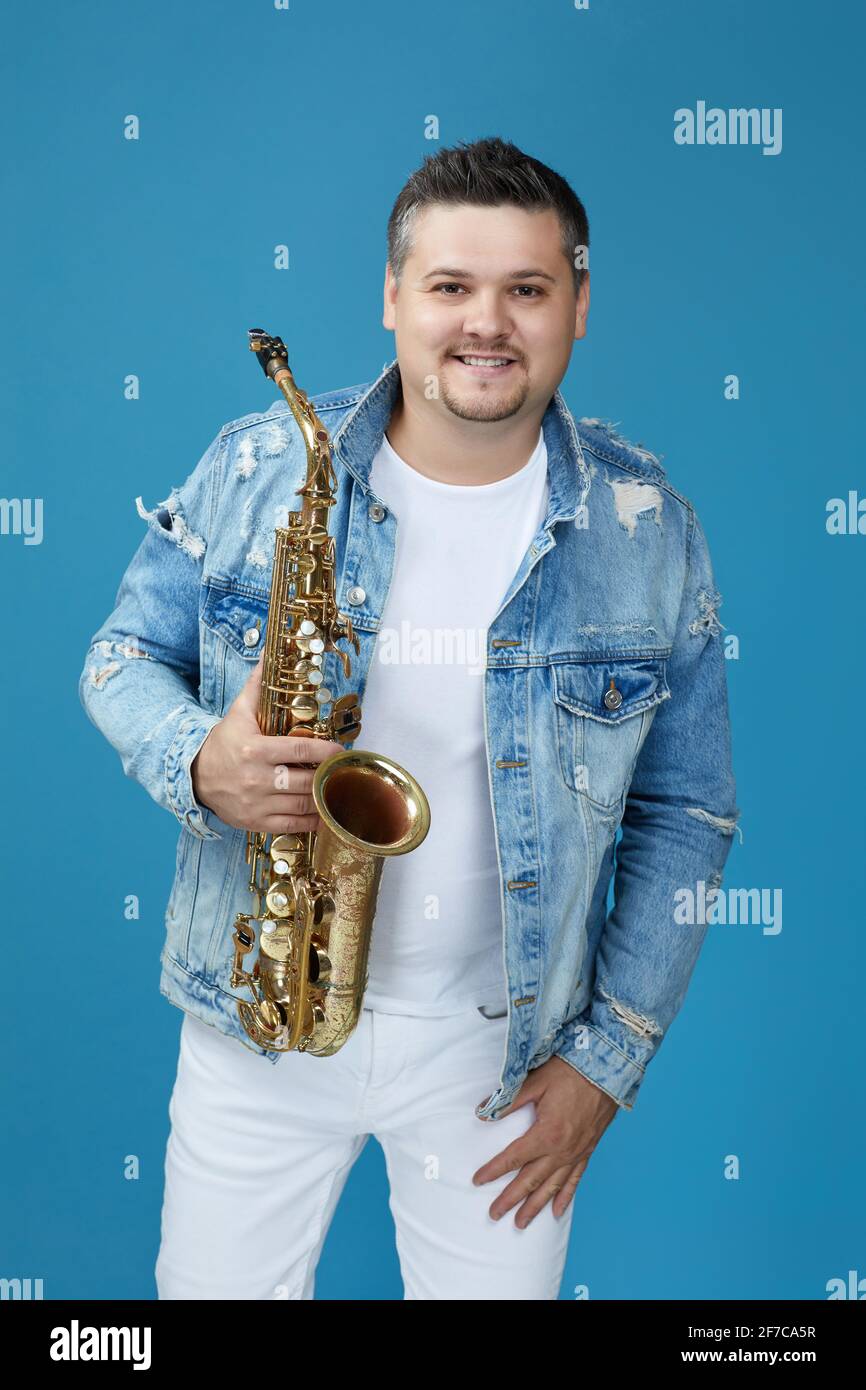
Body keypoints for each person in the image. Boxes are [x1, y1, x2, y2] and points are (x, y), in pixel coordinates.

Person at [79, 135, 740, 1300]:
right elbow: (121, 656)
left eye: (525, 290)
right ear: (391, 298)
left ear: (576, 306)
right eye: (449, 286)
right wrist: (200, 762)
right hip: (259, 1021)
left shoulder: (648, 525)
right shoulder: (256, 468)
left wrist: (608, 1058)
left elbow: (688, 809)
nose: (485, 323)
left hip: (498, 1057)